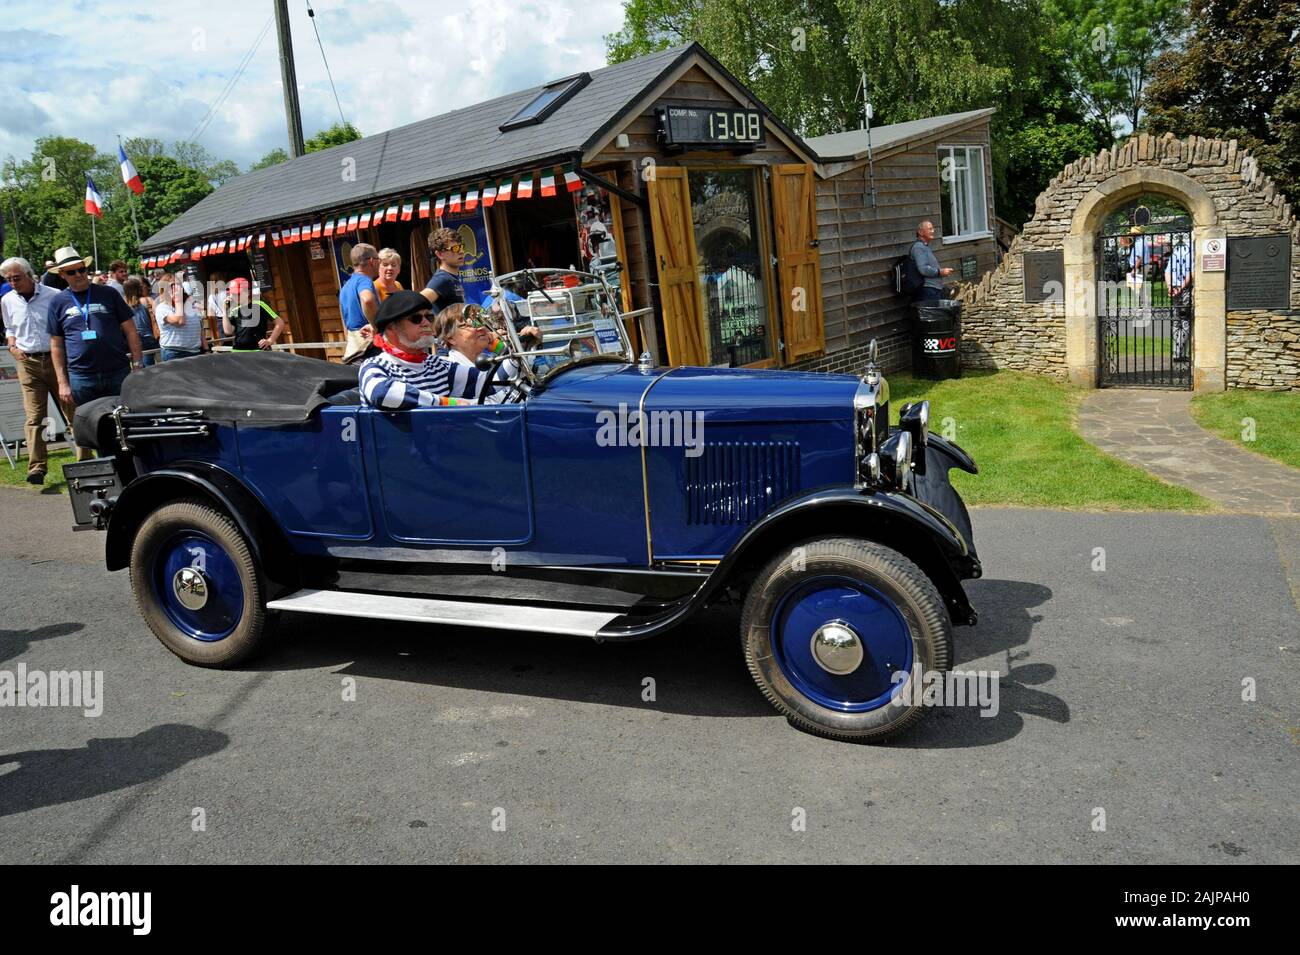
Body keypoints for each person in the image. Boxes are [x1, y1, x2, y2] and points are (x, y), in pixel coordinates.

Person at [45, 246, 143, 448]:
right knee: (98, 430)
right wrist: (62, 382)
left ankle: (133, 468)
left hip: (117, 370)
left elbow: (131, 330)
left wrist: (138, 362)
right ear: (62, 275)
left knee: (127, 424)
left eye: (82, 269)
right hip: (82, 377)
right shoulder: (58, 302)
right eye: (72, 272)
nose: (79, 275)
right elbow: (56, 345)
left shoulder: (108, 293)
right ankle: (108, 471)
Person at [358, 290, 502, 409]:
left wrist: (502, 347)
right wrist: (445, 402)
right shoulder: (375, 365)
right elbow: (382, 394)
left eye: (429, 317)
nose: (426, 322)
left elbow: (494, 382)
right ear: (391, 328)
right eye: (416, 319)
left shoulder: (438, 365)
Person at [1, 256, 74, 484]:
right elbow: (10, 327)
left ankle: (84, 458)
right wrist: (12, 345)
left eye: (16, 278)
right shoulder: (7, 300)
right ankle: (37, 468)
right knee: (35, 418)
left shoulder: (54, 295)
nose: (13, 283)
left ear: (29, 275)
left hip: (56, 360)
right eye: (8, 279)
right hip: (28, 363)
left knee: (71, 410)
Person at [433, 303, 525, 405]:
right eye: (468, 324)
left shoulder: (490, 359)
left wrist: (501, 348)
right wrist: (516, 347)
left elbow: (526, 376)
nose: (480, 328)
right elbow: (492, 384)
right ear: (451, 339)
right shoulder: (450, 369)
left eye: (480, 321)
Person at [222, 277, 285, 351]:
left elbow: (280, 323)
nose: (234, 296)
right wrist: (224, 311)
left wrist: (270, 340)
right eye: (232, 294)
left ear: (248, 292)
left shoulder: (259, 305)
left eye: (238, 293)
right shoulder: (234, 310)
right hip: (238, 351)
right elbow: (228, 331)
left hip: (257, 350)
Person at [340, 243, 380, 362]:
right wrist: (375, 325)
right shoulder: (364, 280)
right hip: (369, 348)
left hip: (354, 350)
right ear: (372, 261)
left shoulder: (345, 287)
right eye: (379, 259)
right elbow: (367, 299)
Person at [154, 273, 206, 361]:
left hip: (195, 351)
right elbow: (180, 321)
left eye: (178, 285)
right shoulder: (162, 308)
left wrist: (206, 349)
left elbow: (199, 328)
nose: (176, 289)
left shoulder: (190, 304)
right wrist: (178, 300)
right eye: (172, 286)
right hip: (174, 353)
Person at [420, 228, 466, 313]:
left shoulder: (451, 277)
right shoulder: (441, 279)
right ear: (440, 254)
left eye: (461, 247)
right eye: (455, 248)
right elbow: (415, 304)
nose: (461, 251)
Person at [122, 276, 161, 366]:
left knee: (139, 366)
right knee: (154, 366)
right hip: (149, 338)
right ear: (138, 289)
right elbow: (157, 316)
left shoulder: (123, 303)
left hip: (132, 339)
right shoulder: (147, 300)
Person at [910, 221, 952, 302]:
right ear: (921, 232)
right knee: (931, 314)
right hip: (927, 290)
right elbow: (923, 269)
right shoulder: (918, 247)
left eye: (933, 228)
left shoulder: (924, 246)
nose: (933, 231)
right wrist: (940, 272)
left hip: (932, 289)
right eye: (930, 229)